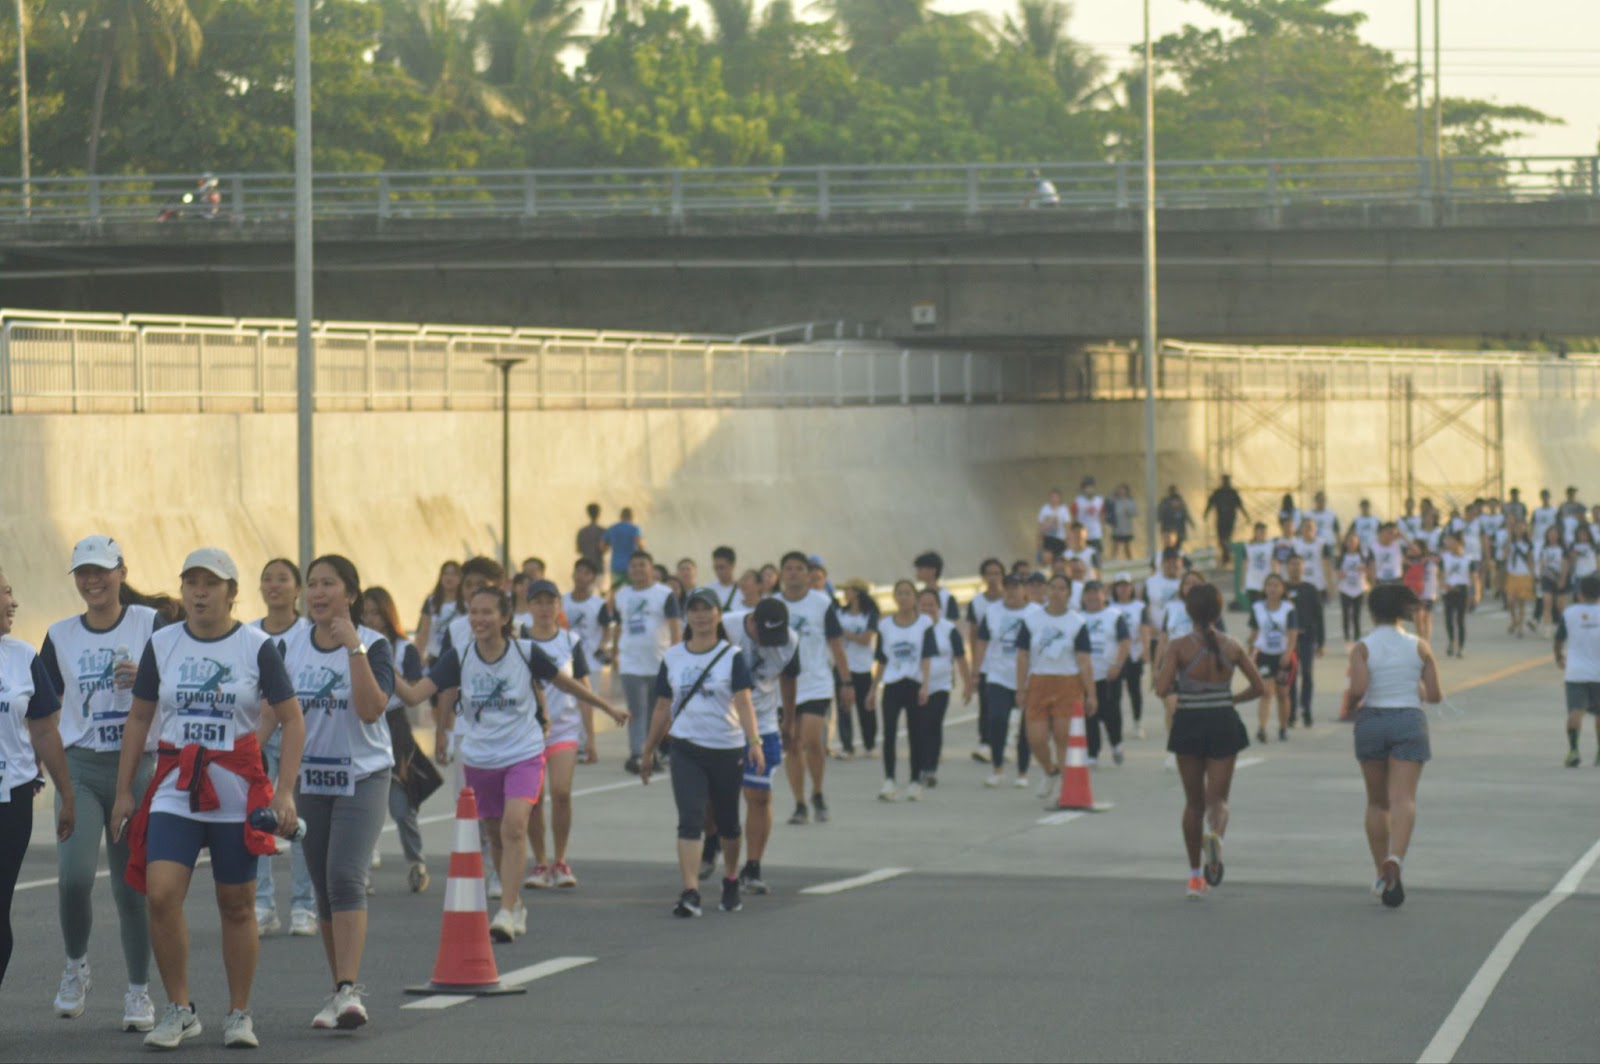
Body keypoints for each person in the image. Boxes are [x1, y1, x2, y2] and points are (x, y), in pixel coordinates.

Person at [112, 548, 305, 1050]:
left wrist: (284, 791)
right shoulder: (163, 643)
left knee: (236, 903)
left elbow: (292, 717)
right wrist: (122, 792)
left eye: (210, 584)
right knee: (160, 893)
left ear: (231, 593)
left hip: (235, 788)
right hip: (177, 782)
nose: (199, 592)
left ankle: (239, 1013)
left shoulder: (256, 646)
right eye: (191, 583)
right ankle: (179, 1009)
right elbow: (139, 717)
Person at [397, 586, 619, 942]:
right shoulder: (460, 657)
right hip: (481, 758)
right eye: (474, 612)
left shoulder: (525, 651)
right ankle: (514, 905)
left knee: (515, 827)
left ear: (504, 618)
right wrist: (373, 659)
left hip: (524, 753)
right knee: (496, 834)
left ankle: (507, 909)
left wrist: (608, 708)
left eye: (487, 612)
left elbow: (569, 684)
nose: (479, 619)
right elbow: (413, 695)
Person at [38, 536, 172, 1028]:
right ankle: (76, 966)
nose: (92, 581)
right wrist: (35, 765)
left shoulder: (150, 624)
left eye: (101, 571)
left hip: (135, 766)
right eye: (82, 573)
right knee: (73, 878)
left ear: (121, 571)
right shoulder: (59, 634)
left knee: (131, 887)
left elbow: (177, 683)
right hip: (81, 765)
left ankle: (138, 992)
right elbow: (42, 710)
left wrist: (147, 679)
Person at [273, 555, 394, 1030]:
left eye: (329, 584)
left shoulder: (376, 645)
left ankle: (349, 989)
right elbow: (272, 711)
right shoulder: (290, 646)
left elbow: (370, 709)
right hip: (311, 779)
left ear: (351, 593)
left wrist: (354, 650)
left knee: (345, 876)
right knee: (324, 886)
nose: (318, 593)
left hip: (362, 777)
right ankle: (338, 988)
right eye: (313, 584)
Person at [639, 589, 764, 917]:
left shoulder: (731, 655)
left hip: (726, 747)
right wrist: (648, 748)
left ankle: (732, 878)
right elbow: (663, 706)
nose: (701, 616)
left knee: (727, 823)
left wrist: (754, 742)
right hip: (686, 748)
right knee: (690, 819)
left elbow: (743, 701)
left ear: (719, 615)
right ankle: (690, 890)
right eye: (693, 610)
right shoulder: (674, 657)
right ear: (686, 617)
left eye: (707, 610)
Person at [1153, 582, 1264, 899]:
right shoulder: (1232, 646)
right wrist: (1230, 700)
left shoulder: (1178, 646)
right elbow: (1259, 687)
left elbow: (1162, 689)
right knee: (1219, 800)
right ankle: (1216, 836)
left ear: (1188, 611)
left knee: (1193, 803)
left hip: (1189, 722)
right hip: (1222, 721)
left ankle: (1194, 876)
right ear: (1219, 611)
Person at [0, 564, 76, 993]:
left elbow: (44, 729)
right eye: (5, 593)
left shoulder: (23, 656)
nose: (13, 602)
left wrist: (67, 794)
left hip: (10, 800)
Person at [523, 580, 629, 888]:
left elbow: (581, 688)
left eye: (550, 602)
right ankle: (540, 863)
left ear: (559, 606)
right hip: (527, 731)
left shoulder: (570, 641)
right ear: (529, 607)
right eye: (538, 602)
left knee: (561, 792)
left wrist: (590, 737)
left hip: (564, 728)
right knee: (532, 799)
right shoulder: (520, 642)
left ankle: (560, 860)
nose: (544, 608)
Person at [1348, 584, 1441, 908]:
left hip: (1372, 720)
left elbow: (1359, 688)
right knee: (1403, 798)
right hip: (1408, 720)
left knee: (1377, 803)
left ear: (1372, 612)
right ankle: (1396, 859)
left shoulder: (1362, 647)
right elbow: (1435, 695)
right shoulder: (1420, 646)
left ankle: (1380, 872)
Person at [247, 560, 315, 937]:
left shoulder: (307, 633)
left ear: (297, 589)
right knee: (257, 819)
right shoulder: (248, 633)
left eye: (282, 579)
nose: (274, 586)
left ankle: (304, 905)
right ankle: (263, 903)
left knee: (293, 821)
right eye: (267, 578)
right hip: (255, 735)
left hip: (292, 734)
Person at [723, 598, 799, 894]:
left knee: (759, 795)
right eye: (763, 636)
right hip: (723, 720)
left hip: (764, 722)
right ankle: (711, 839)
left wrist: (789, 721)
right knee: (717, 797)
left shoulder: (790, 641)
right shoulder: (726, 626)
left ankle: (752, 867)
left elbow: (789, 680)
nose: (769, 644)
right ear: (752, 621)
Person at [360, 587, 430, 894]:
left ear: (387, 615)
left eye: (375, 613)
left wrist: (387, 669)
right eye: (364, 613)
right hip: (363, 723)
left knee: (401, 806)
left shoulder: (403, 648)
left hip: (394, 726)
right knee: (361, 805)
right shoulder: (353, 644)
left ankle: (416, 862)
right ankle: (360, 873)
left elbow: (414, 690)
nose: (369, 619)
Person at [775, 552, 852, 825]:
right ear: (781, 574)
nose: (794, 573)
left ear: (808, 574)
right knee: (792, 744)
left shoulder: (821, 604)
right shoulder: (772, 605)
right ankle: (800, 803)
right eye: (789, 569)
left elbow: (836, 644)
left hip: (816, 683)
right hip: (784, 688)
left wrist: (846, 682)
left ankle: (817, 791)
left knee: (810, 740)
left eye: (799, 568)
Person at [1016, 574, 1094, 795]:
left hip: (1068, 683)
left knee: (1063, 737)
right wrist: (1020, 688)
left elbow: (1084, 661)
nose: (1057, 592)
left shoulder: (1077, 623)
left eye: (1062, 588)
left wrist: (1091, 694)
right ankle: (1050, 771)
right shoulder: (1032, 620)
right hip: (1039, 681)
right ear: (1047, 591)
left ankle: (1065, 787)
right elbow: (1022, 656)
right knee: (1036, 738)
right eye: (1053, 588)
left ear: (1069, 593)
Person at [608, 552, 681, 774]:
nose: (638, 569)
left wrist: (676, 657)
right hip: (631, 662)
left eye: (642, 565)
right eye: (634, 565)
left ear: (651, 568)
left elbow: (675, 627)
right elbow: (619, 625)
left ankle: (652, 752)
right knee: (636, 710)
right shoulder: (622, 595)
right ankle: (637, 753)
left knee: (656, 712)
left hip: (659, 662)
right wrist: (615, 652)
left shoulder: (664, 594)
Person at [870, 581, 934, 801]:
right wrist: (873, 689)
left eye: (908, 593)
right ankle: (889, 779)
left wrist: (926, 684)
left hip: (914, 683)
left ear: (915, 597)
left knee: (916, 734)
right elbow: (882, 660)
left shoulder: (924, 624)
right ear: (894, 597)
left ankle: (915, 780)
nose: (904, 597)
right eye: (900, 594)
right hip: (893, 683)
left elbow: (926, 657)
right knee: (889, 733)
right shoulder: (886, 626)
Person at [973, 573, 1035, 788]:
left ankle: (1022, 772)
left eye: (1016, 587)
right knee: (997, 719)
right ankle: (997, 768)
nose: (1011, 591)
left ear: (1024, 590)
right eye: (1007, 587)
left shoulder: (1035, 613)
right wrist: (975, 671)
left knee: (1026, 726)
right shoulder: (992, 612)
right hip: (998, 675)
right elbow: (981, 642)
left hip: (1027, 677)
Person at [916, 587, 969, 788]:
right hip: (917, 684)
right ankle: (919, 765)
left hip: (941, 685)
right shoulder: (913, 627)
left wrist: (967, 684)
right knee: (920, 726)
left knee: (933, 724)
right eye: (923, 605)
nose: (928, 609)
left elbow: (961, 658)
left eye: (931, 605)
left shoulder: (948, 630)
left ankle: (930, 769)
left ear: (938, 607)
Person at [562, 559, 614, 752]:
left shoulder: (598, 604)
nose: (581, 576)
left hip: (590, 662)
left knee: (587, 701)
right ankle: (571, 741)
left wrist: (603, 647)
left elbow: (607, 628)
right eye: (578, 571)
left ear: (592, 578)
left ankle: (585, 743)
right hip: (566, 662)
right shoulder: (562, 601)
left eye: (586, 572)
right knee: (568, 704)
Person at [1078, 581, 1131, 766]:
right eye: (1088, 593)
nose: (1092, 597)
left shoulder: (1114, 616)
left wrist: (1117, 665)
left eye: (1096, 593)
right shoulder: (1077, 617)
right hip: (1086, 676)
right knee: (1089, 714)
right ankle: (1092, 753)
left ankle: (1116, 744)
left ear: (1104, 595)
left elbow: (1125, 642)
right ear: (1083, 597)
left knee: (1111, 713)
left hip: (1109, 675)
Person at [965, 558, 1007, 764]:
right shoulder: (977, 603)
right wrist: (975, 664)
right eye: (989, 574)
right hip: (986, 663)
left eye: (997, 573)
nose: (993, 578)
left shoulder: (1009, 601)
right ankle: (985, 743)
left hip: (1007, 663)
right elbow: (974, 634)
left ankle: (1004, 743)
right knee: (986, 704)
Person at [1250, 574, 1299, 743]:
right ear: (1264, 588)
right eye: (1269, 585)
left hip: (1282, 656)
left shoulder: (1288, 608)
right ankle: (1262, 728)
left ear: (1282, 589)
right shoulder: (1257, 607)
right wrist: (1250, 652)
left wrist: (1287, 653)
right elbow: (1254, 632)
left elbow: (1292, 633)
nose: (1272, 589)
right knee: (1265, 692)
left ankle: (1283, 727)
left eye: (1276, 585)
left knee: (1283, 694)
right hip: (1264, 655)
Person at [1557, 575, 1600, 767]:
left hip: (1576, 672)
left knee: (1575, 712)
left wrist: (1558, 656)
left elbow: (1558, 638)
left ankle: (1574, 749)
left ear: (1580, 593)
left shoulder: (1570, 613)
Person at [835, 579, 880, 758]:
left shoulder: (870, 614)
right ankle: (847, 747)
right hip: (843, 666)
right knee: (844, 707)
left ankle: (870, 744)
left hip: (862, 667)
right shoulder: (840, 613)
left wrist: (845, 633)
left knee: (865, 708)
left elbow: (866, 639)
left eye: (849, 590)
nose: (846, 594)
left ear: (858, 592)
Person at [1283, 555, 1325, 729]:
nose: (1295, 568)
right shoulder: (1282, 589)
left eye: (1298, 564)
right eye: (1291, 564)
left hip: (1307, 637)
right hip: (1287, 640)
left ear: (1303, 567)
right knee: (1290, 676)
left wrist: (1321, 642)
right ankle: (1291, 712)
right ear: (1287, 567)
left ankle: (1306, 709)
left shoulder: (1310, 589)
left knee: (1307, 674)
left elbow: (1319, 616)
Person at [413, 561, 461, 666]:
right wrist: (419, 657)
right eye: (446, 574)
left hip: (458, 657)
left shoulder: (465, 604)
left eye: (453, 574)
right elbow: (422, 633)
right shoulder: (431, 602)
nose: (449, 578)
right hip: (434, 658)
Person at [1440, 534, 1474, 658]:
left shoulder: (1468, 559)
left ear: (1459, 543)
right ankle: (1451, 641)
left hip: (1462, 589)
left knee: (1460, 619)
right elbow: (1441, 574)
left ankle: (1461, 646)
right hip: (1449, 589)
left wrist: (1475, 593)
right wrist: (1443, 585)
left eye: (1452, 541)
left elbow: (1473, 577)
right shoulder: (1445, 557)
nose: (1449, 544)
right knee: (1449, 618)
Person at [1204, 475, 1248, 566]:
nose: (1226, 483)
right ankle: (1226, 556)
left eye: (1227, 481)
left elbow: (1240, 505)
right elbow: (1211, 503)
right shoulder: (1218, 492)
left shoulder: (1233, 492)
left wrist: (1246, 515)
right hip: (1220, 520)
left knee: (1227, 539)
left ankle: (1226, 557)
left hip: (1230, 519)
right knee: (1221, 539)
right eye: (1225, 481)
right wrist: (1206, 513)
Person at [1502, 521, 1537, 637]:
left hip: (1524, 574)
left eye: (1522, 528)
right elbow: (1504, 555)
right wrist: (1508, 540)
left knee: (1521, 602)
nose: (1519, 531)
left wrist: (1533, 574)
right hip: (1512, 574)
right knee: (1510, 601)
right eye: (1517, 528)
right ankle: (1514, 620)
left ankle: (1520, 628)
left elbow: (1530, 559)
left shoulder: (1528, 544)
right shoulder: (1510, 542)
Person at [1336, 530, 1370, 644]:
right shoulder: (1341, 556)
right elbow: (1337, 571)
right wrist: (1339, 573)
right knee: (1346, 615)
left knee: (1356, 615)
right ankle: (1347, 638)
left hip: (1359, 588)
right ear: (1345, 543)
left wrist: (1365, 569)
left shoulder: (1362, 556)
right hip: (1345, 588)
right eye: (1349, 541)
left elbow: (1369, 569)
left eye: (1354, 541)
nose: (1352, 543)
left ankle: (1357, 638)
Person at [912, 551, 963, 623]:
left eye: (920, 569)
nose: (917, 573)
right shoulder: (917, 596)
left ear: (933, 570)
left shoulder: (947, 597)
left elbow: (953, 623)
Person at [602, 507, 644, 588]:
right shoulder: (635, 529)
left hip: (616, 565)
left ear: (621, 516)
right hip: (632, 566)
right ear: (631, 517)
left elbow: (602, 546)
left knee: (616, 590)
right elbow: (640, 545)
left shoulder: (612, 528)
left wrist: (610, 548)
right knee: (633, 589)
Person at [1536, 526, 1568, 633]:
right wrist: (1540, 577)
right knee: (1547, 602)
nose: (1553, 536)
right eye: (1550, 534)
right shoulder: (1545, 549)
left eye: (1555, 534)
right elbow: (1542, 564)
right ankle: (1547, 626)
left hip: (1559, 577)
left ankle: (1561, 624)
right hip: (1547, 577)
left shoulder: (1562, 549)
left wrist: (1562, 579)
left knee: (1559, 605)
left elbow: (1565, 565)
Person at [1074, 478, 1108, 560]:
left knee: (1096, 555)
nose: (1089, 490)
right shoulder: (1078, 501)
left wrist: (1104, 528)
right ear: (1083, 489)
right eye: (1087, 488)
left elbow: (1102, 515)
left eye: (1091, 487)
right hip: (1082, 533)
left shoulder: (1099, 500)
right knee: (1082, 557)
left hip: (1095, 533)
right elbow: (1073, 517)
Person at [1242, 523, 1274, 604]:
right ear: (1255, 533)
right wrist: (1243, 584)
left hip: (1266, 583)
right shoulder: (1249, 546)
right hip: (1252, 583)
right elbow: (1244, 566)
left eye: (1264, 532)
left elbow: (1274, 564)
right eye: (1260, 532)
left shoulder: (1271, 546)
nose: (1262, 534)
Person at [1037, 489, 1070, 564]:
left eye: (1056, 497)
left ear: (1060, 498)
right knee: (1047, 560)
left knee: (1059, 560)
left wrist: (1068, 541)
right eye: (1052, 497)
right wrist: (1039, 542)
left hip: (1060, 539)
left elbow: (1067, 526)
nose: (1054, 499)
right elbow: (1040, 526)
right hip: (1048, 539)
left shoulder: (1064, 509)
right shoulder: (1045, 509)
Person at [1108, 484, 1138, 561]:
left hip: (1126, 527)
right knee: (1115, 545)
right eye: (1119, 490)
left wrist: (1128, 511)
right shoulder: (1115, 501)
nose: (1121, 492)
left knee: (1127, 546)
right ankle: (1113, 560)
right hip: (1117, 527)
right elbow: (1109, 504)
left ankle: (1130, 561)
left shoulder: (1130, 501)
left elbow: (1134, 512)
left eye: (1123, 490)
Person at [576, 503, 607, 571]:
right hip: (598, 565)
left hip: (585, 565)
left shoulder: (582, 531)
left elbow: (578, 550)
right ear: (599, 514)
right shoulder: (603, 531)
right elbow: (605, 549)